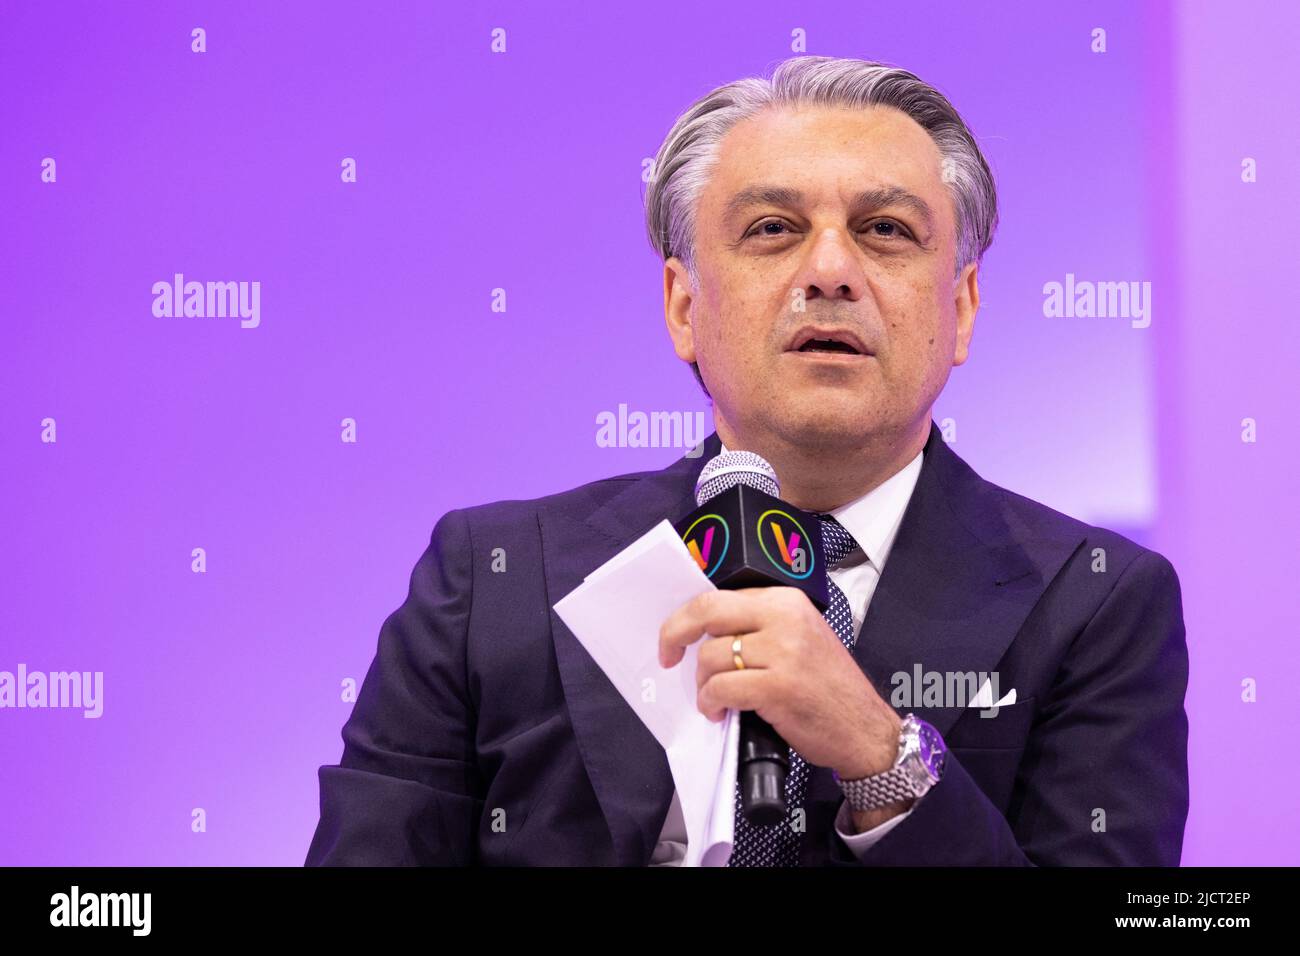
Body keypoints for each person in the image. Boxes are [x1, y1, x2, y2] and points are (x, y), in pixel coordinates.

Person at [306, 55, 1188, 866]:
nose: (832, 269)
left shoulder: (1098, 603)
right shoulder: (492, 579)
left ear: (960, 309)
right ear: (683, 305)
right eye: (773, 228)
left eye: (884, 229)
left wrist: (883, 761)